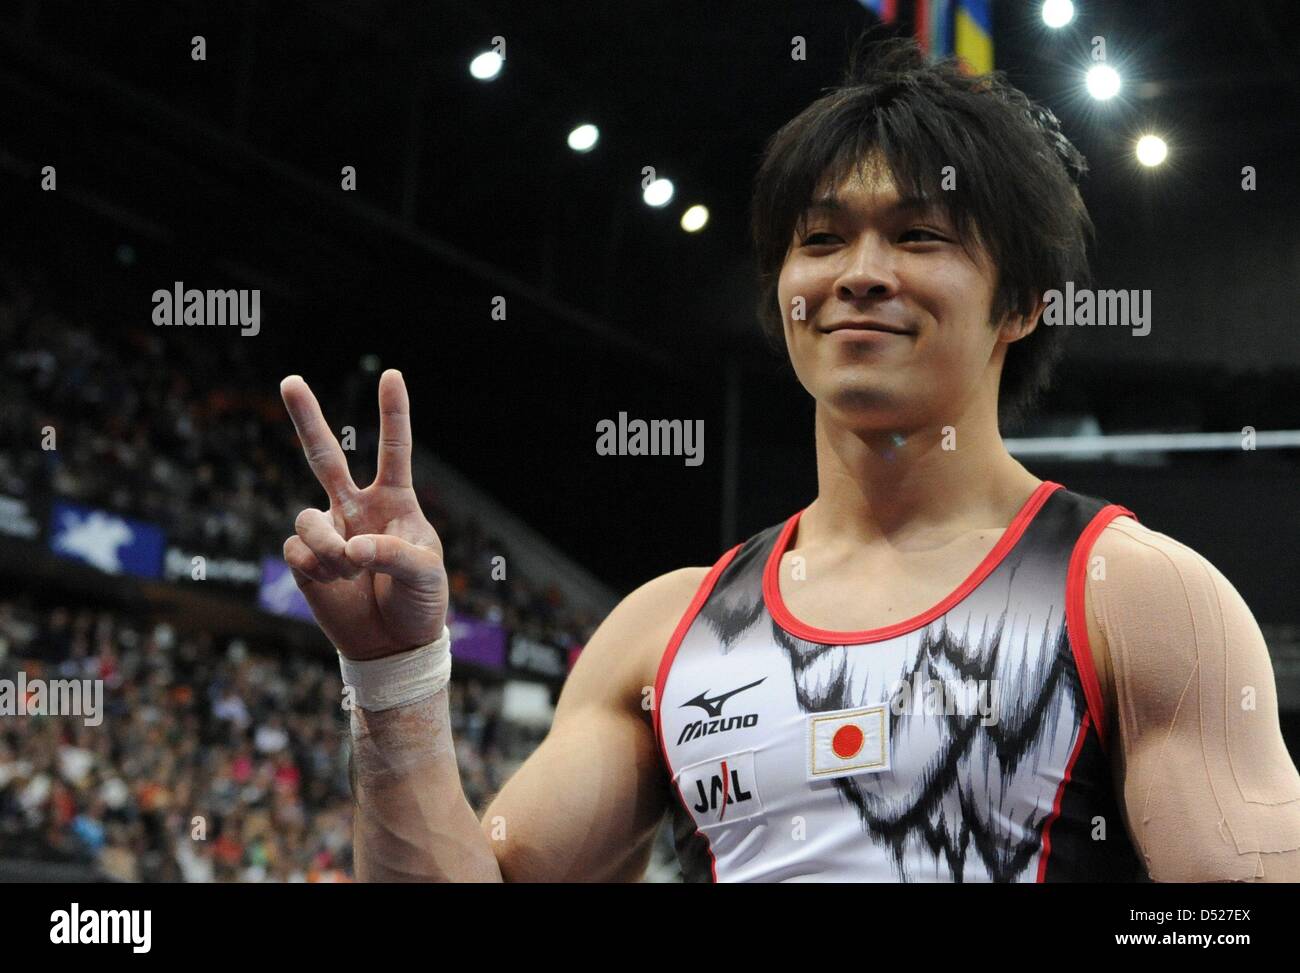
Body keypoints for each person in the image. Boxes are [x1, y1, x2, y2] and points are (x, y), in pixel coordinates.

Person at [277, 37, 1300, 882]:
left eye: (917, 234)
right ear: (781, 291)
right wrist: (393, 676)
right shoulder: (662, 633)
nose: (860, 273)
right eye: (820, 239)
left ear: (1023, 302)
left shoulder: (1136, 597)